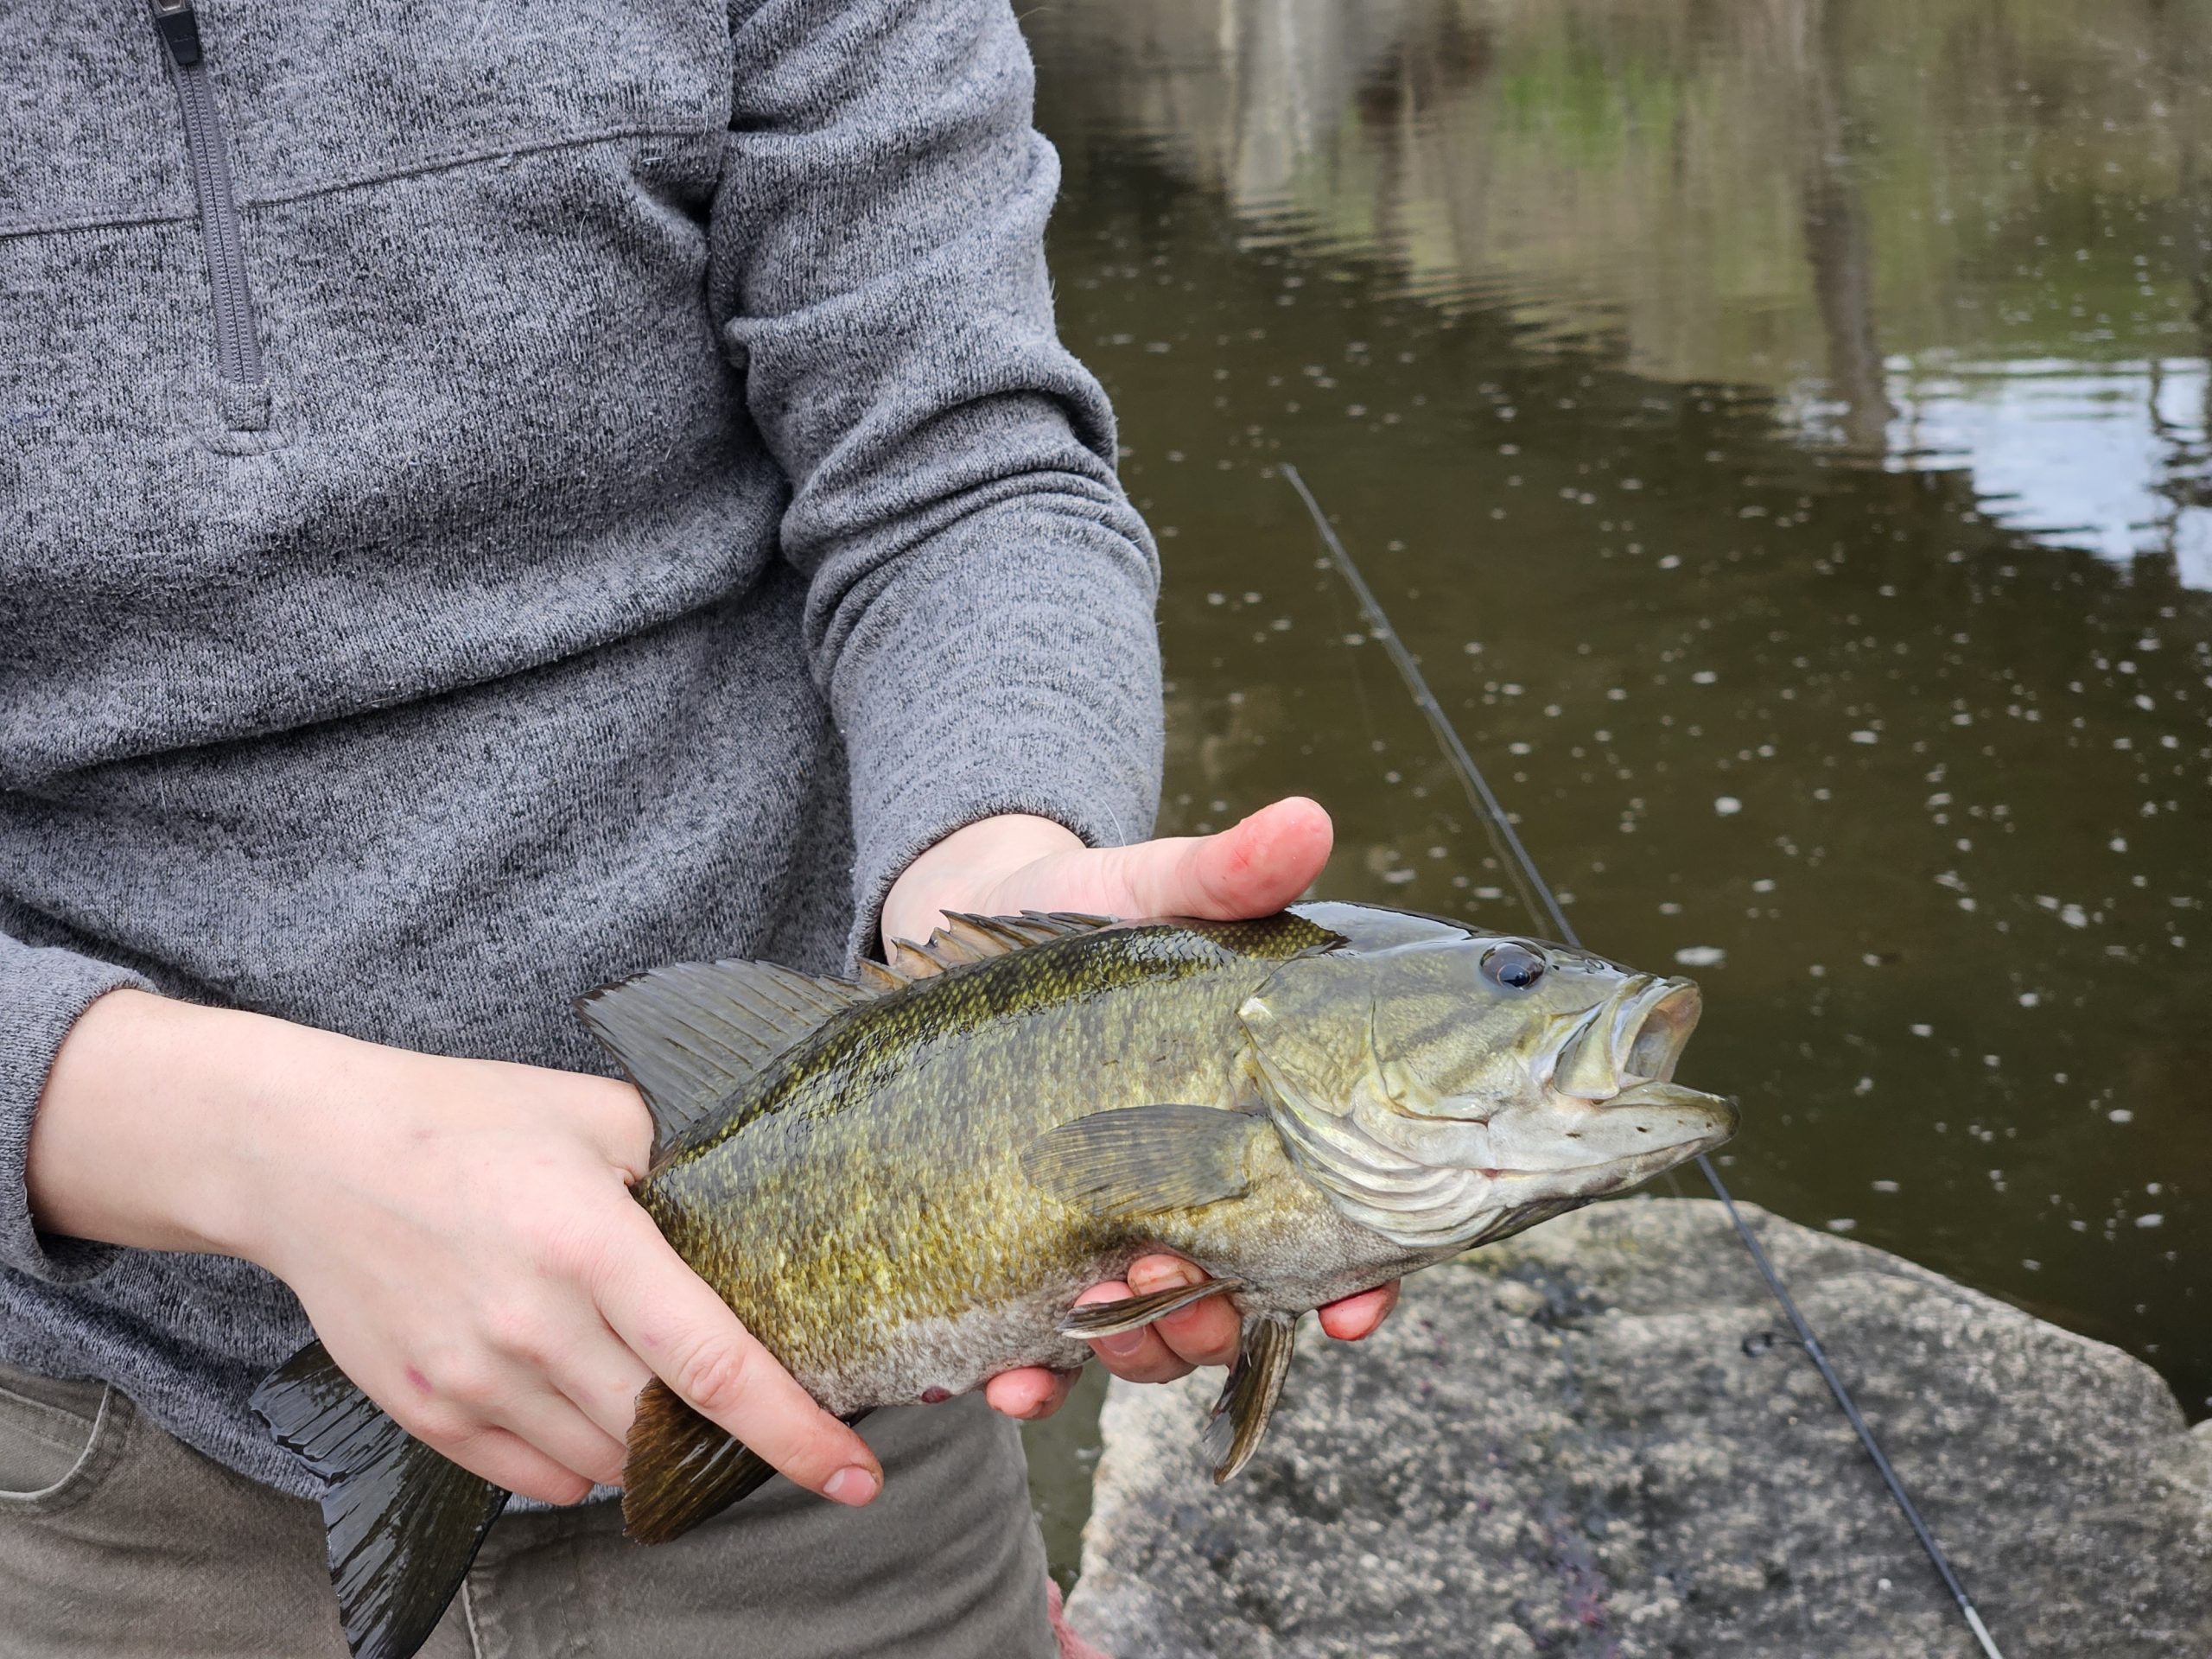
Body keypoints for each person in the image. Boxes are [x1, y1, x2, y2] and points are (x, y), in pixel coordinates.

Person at [0, 1, 1395, 1655]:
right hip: (93, 1481)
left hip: (835, 1456)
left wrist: (999, 889)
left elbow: (953, 473)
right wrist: (240, 1146)